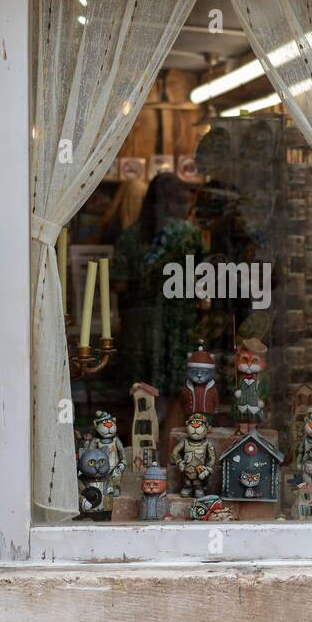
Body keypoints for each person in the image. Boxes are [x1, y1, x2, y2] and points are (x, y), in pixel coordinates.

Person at [110, 173, 205, 436]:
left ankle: (137, 464)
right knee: (176, 396)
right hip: (177, 325)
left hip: (139, 326)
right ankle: (164, 463)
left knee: (139, 399)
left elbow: (118, 284)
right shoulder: (189, 235)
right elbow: (203, 283)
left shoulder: (131, 236)